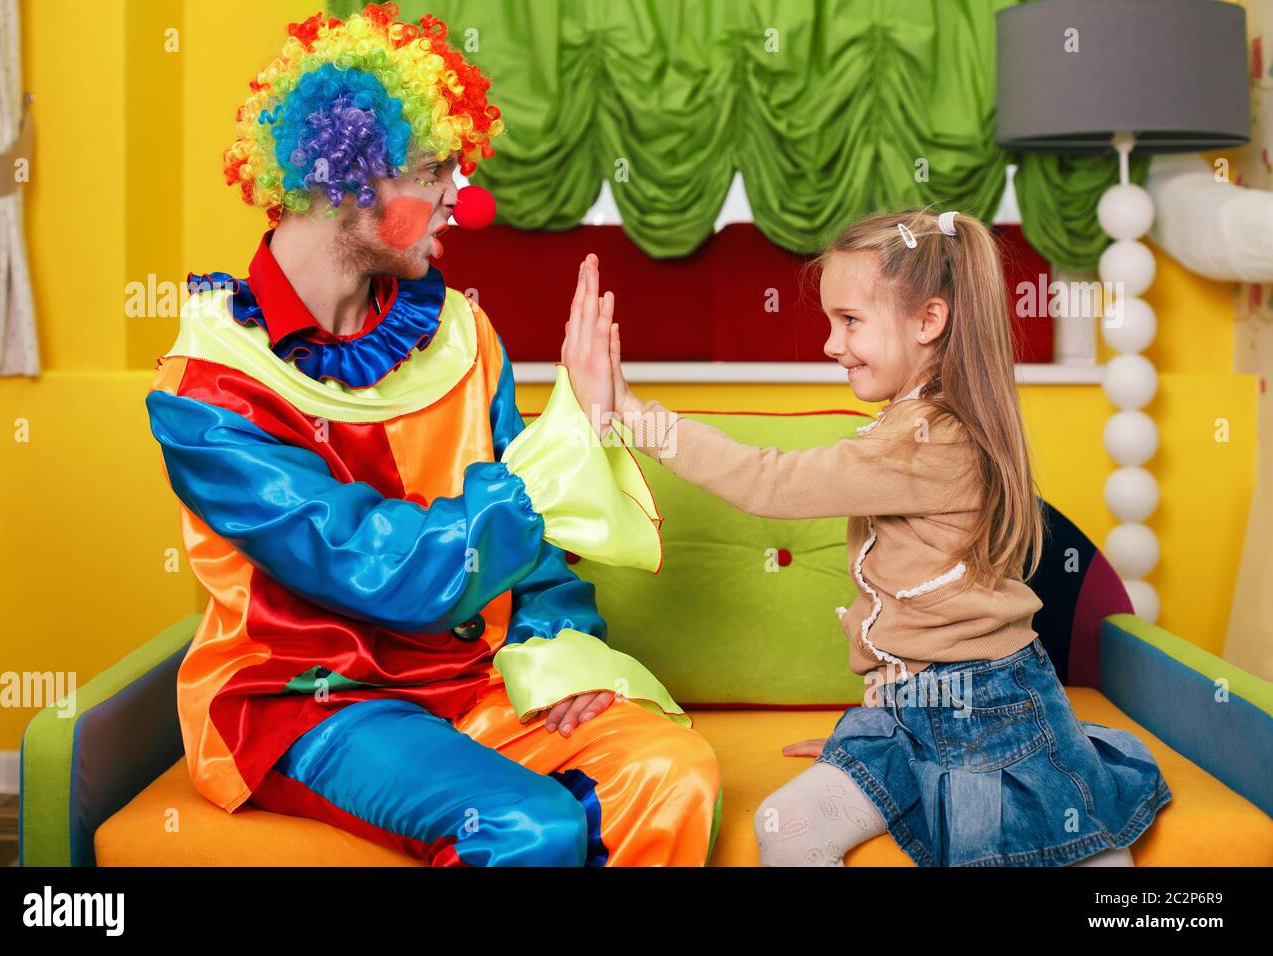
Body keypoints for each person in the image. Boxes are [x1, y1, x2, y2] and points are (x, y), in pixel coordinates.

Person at [145, 4, 720, 867]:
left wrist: (551, 651)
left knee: (674, 773)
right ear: (346, 179)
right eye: (432, 171)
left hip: (468, 679)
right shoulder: (208, 388)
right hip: (310, 697)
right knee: (530, 825)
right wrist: (564, 447)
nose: (462, 195)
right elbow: (370, 562)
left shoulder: (459, 335)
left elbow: (542, 552)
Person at [560, 209, 1172, 867]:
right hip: (911, 712)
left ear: (928, 322)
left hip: (987, 714)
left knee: (1058, 846)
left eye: (850, 321)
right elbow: (902, 617)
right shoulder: (904, 427)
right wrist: (878, 727)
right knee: (787, 827)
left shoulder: (931, 441)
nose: (831, 343)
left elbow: (769, 482)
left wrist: (625, 411)